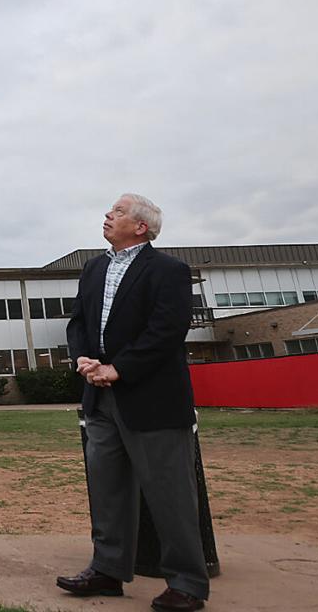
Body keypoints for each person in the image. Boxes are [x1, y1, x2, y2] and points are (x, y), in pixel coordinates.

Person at [57, 194, 209, 612]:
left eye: (119, 211)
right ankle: (107, 570)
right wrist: (83, 358)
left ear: (141, 227)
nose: (108, 215)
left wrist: (119, 368)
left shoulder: (169, 271)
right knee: (107, 489)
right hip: (99, 399)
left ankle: (187, 583)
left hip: (152, 400)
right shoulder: (93, 268)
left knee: (171, 495)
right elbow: (79, 322)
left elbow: (168, 329)